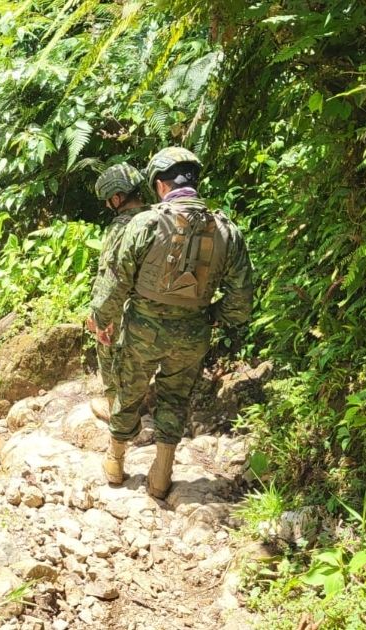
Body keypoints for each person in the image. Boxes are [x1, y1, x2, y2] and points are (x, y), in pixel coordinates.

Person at [88, 147, 253, 499]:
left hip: (143, 330)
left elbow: (116, 280)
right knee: (174, 399)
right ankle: (161, 475)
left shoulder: (144, 223)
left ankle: (116, 463)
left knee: (129, 392)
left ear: (160, 186)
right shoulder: (227, 230)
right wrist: (209, 315)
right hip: (193, 333)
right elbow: (240, 304)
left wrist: (102, 319)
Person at [87, 163, 148, 422]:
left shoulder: (121, 227)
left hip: (126, 307)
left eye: (108, 201)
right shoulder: (159, 219)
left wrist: (98, 315)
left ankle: (116, 408)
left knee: (107, 347)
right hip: (158, 308)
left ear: (117, 197)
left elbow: (110, 275)